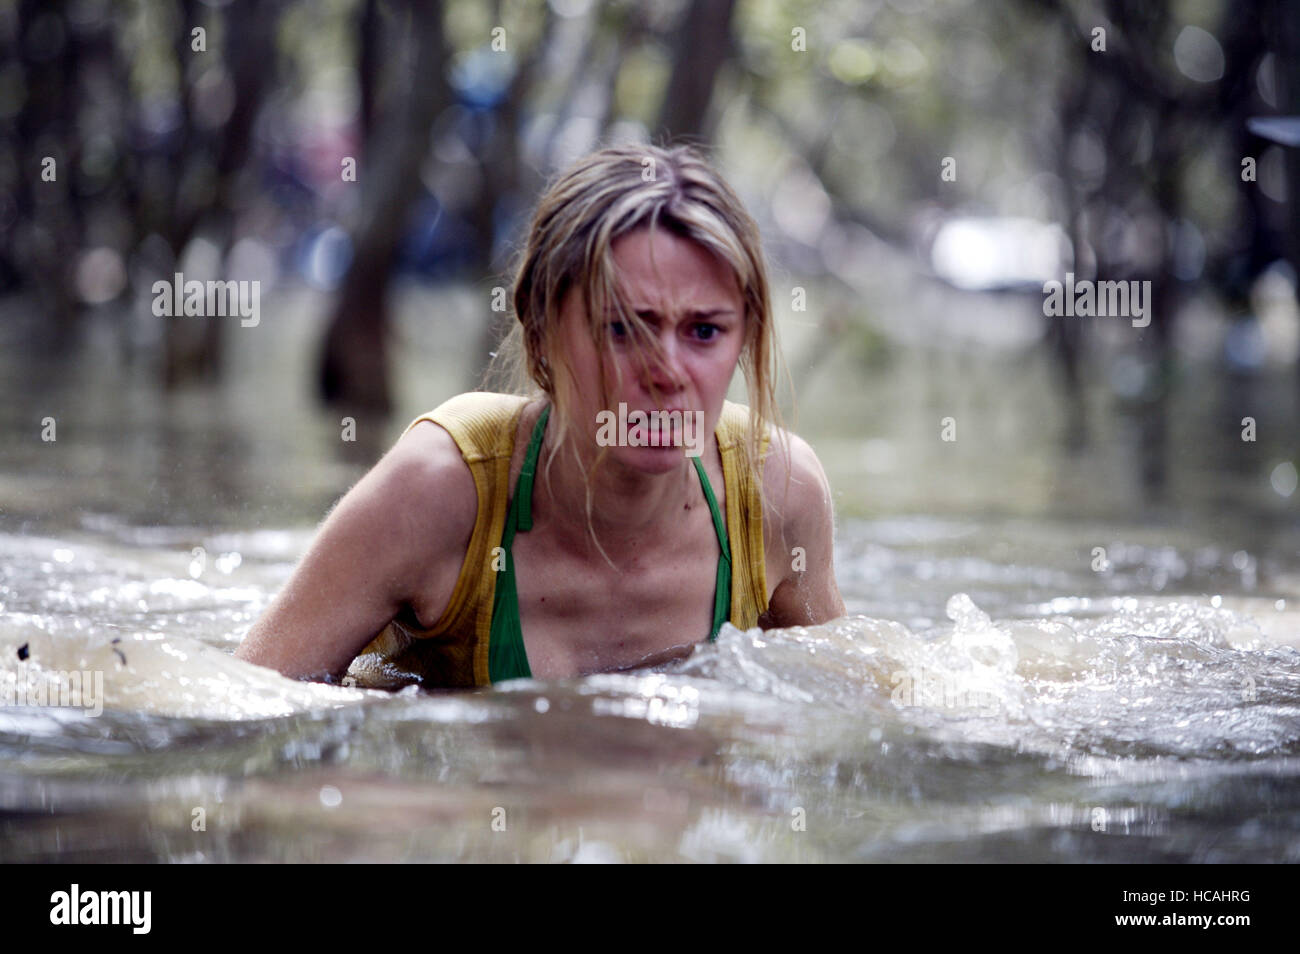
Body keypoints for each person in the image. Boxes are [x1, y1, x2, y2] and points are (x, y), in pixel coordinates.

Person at [234, 142, 846, 688]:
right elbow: (240, 706)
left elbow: (847, 702)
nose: (667, 372)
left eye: (705, 331)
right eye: (622, 328)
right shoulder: (437, 491)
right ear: (541, 335)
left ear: (744, 340)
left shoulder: (776, 493)